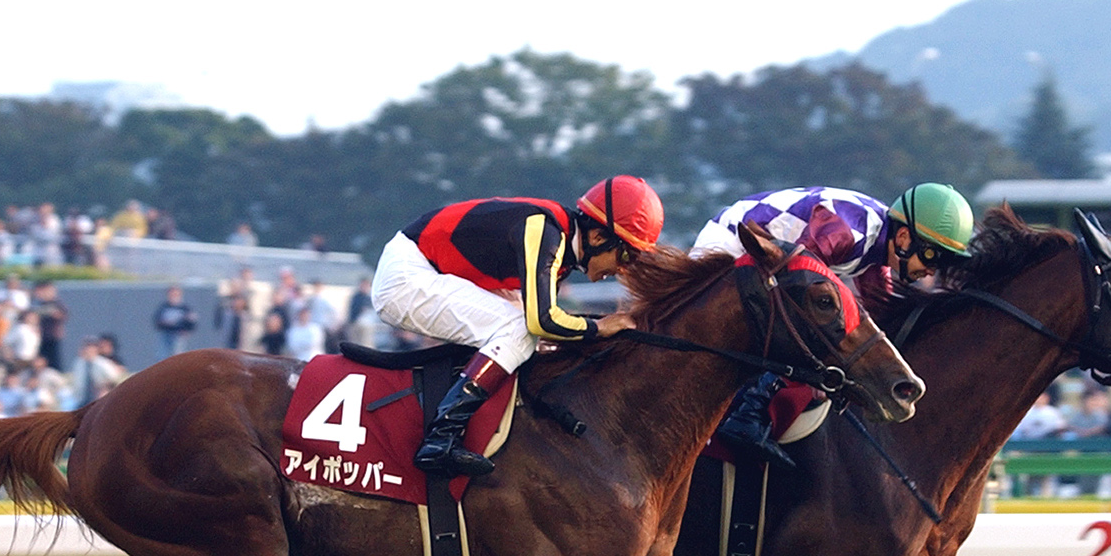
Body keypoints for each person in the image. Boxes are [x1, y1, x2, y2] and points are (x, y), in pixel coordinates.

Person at [370, 176, 662, 476]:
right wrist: (599, 328)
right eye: (627, 255)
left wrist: (595, 327)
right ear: (599, 237)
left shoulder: (560, 250)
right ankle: (441, 438)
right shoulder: (545, 232)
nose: (623, 270)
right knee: (520, 329)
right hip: (406, 275)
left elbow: (547, 325)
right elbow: (542, 320)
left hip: (434, 271)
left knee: (526, 331)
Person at [692, 182, 974, 459]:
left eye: (942, 262)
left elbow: (877, 327)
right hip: (731, 242)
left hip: (764, 256)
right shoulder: (846, 234)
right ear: (903, 238)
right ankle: (748, 411)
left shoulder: (875, 254)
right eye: (931, 256)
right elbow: (794, 286)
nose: (930, 271)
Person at [153, 285, 199, 358]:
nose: (173, 296)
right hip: (166, 334)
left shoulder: (185, 308)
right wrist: (165, 323)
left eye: (175, 294)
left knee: (178, 356)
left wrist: (187, 330)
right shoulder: (164, 307)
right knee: (163, 356)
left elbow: (192, 321)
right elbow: (156, 320)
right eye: (171, 294)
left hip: (178, 335)